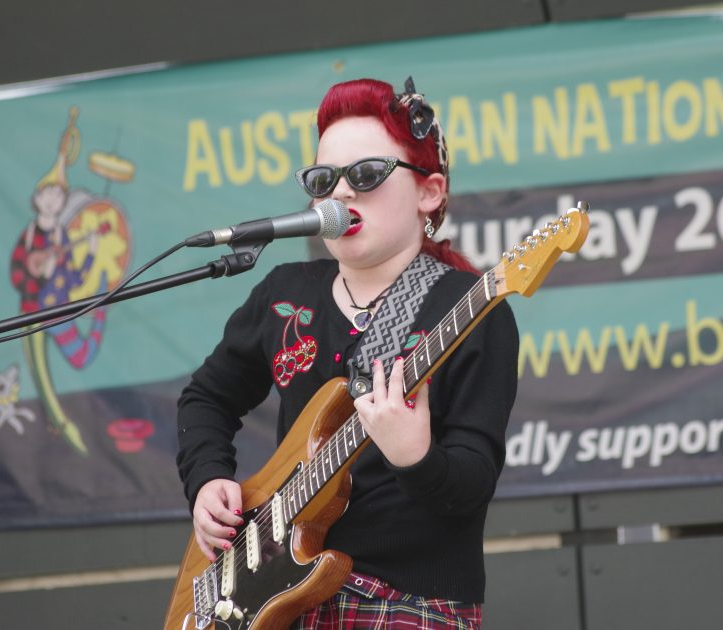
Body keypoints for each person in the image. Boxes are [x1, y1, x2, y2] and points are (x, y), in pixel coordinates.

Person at [176, 77, 518, 629]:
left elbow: (472, 485)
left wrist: (415, 456)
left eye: (365, 175)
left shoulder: (472, 310)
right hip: (278, 600)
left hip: (407, 606)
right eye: (322, 179)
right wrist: (208, 481)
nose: (340, 194)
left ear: (429, 192)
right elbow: (206, 398)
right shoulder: (286, 293)